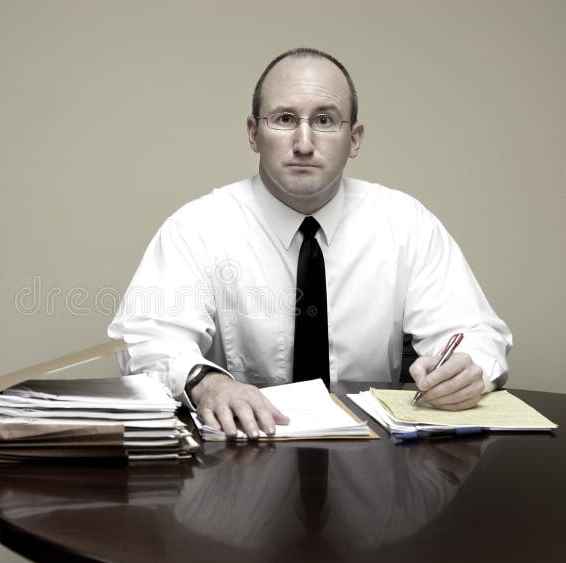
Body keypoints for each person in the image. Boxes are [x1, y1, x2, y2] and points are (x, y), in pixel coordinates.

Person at [108, 48, 512, 438]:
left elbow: (474, 331)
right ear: (254, 133)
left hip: (375, 470)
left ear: (354, 139)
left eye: (324, 120)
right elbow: (146, 340)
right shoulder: (196, 228)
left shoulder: (406, 225)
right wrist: (206, 382)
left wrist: (467, 367)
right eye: (284, 119)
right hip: (240, 468)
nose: (303, 143)